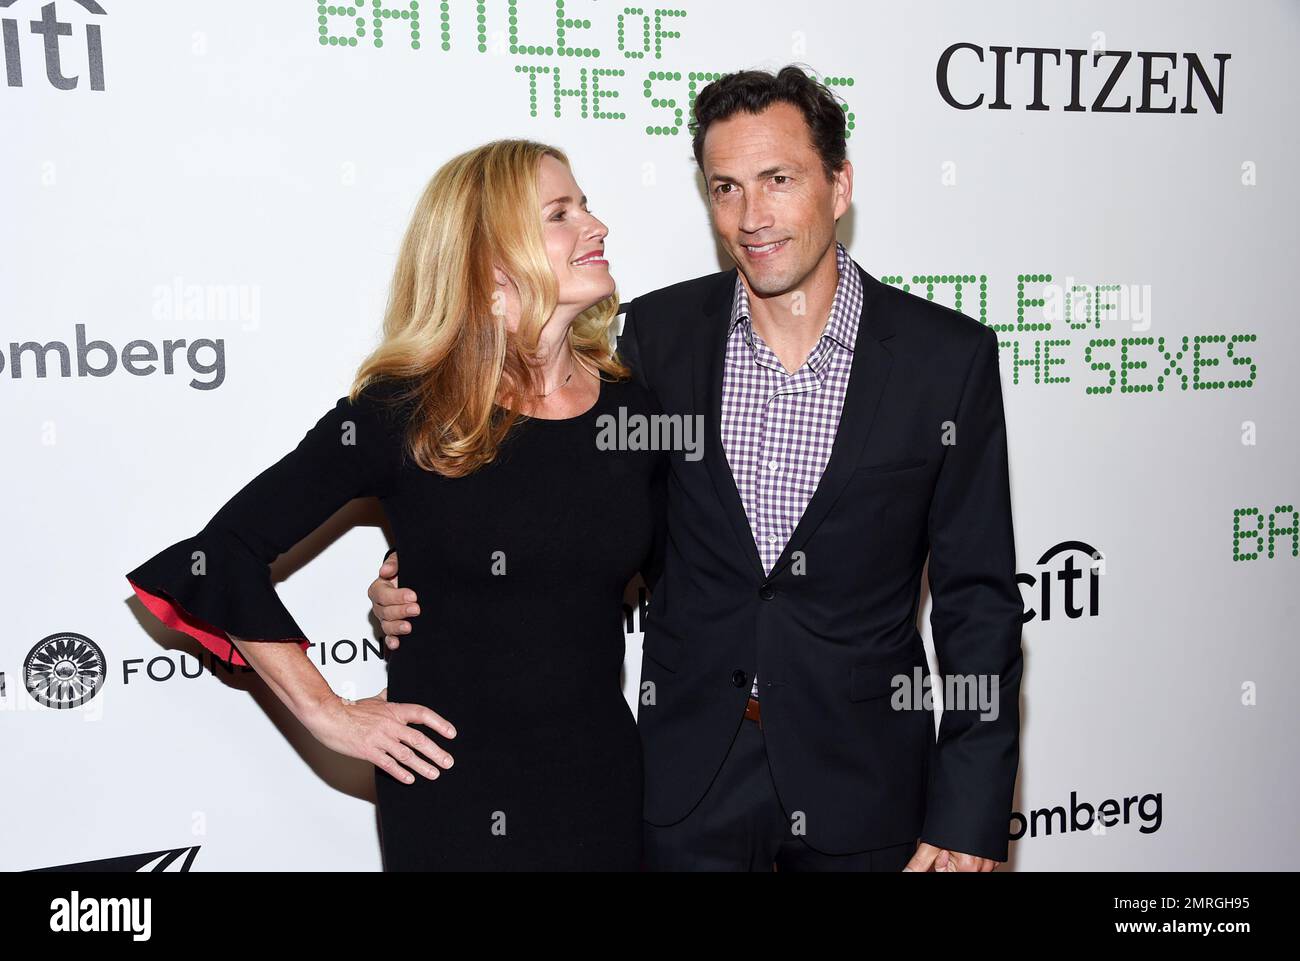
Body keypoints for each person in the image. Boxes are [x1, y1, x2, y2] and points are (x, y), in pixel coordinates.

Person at [374, 67, 1024, 872]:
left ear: (839, 183)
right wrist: (437, 563)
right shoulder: (661, 335)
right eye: (726, 188)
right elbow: (586, 510)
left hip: (867, 784)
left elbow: (979, 604)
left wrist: (970, 811)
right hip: (683, 789)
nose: (752, 217)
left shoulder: (944, 360)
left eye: (778, 180)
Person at [125, 140, 667, 871]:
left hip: (602, 787)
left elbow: (692, 581)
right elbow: (218, 554)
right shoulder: (407, 410)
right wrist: (327, 713)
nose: (596, 225)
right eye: (561, 213)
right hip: (450, 793)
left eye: (587, 204)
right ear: (490, 257)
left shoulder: (634, 409)